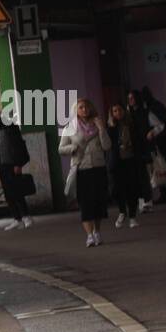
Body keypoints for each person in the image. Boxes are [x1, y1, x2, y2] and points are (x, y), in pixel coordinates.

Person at [58, 99, 111, 247]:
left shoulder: (98, 124)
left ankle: (97, 232)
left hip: (98, 167)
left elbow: (107, 146)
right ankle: (89, 235)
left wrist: (101, 128)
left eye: (87, 106)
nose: (84, 109)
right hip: (82, 169)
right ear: (76, 110)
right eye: (81, 107)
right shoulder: (71, 127)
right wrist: (72, 148)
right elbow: (61, 149)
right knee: (86, 203)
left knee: (98, 202)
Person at [0, 117, 32, 229]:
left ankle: (26, 217)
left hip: (12, 165)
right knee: (8, 194)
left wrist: (18, 164)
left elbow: (18, 146)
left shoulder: (11, 128)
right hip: (1, 165)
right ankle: (17, 219)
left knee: (17, 192)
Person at [106, 104, 143, 227]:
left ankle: (132, 216)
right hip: (116, 162)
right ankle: (122, 211)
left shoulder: (131, 125)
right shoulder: (110, 128)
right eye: (114, 111)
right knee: (116, 189)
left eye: (119, 110)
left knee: (131, 189)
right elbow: (107, 145)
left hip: (130, 160)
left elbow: (139, 140)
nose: (118, 113)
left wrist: (131, 145)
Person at [143, 87, 166, 203]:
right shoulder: (157, 105)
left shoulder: (152, 107)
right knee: (164, 166)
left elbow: (161, 125)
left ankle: (165, 194)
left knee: (163, 166)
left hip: (164, 140)